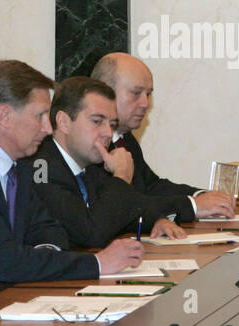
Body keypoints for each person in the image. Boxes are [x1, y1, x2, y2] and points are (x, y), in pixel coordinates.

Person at [0, 60, 143, 283]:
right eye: (40, 116)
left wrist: (45, 253)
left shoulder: (22, 162)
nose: (48, 128)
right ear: (4, 117)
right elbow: (3, 262)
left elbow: (49, 227)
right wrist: (98, 263)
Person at [30, 76, 186, 248]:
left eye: (112, 124)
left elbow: (122, 210)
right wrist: (120, 177)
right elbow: (90, 233)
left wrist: (156, 220)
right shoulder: (40, 167)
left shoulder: (92, 166)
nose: (108, 133)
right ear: (64, 122)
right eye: (97, 121)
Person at [91, 52, 237, 219]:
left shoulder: (124, 138)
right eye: (136, 93)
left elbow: (151, 187)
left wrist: (202, 195)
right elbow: (127, 206)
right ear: (103, 91)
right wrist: (194, 206)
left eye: (148, 94)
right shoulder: (92, 145)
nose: (146, 103)